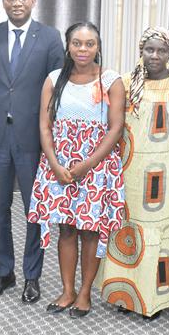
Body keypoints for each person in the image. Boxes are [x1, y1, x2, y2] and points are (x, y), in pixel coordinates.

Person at [0, 0, 64, 304]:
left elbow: (57, 91)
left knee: (34, 212)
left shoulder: (50, 37)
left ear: (33, 1)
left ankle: (32, 276)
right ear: (4, 1)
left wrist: (50, 140)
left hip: (33, 140)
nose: (17, 2)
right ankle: (4, 272)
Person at [97, 27, 169, 319]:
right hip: (131, 170)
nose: (155, 55)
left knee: (160, 234)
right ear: (140, 51)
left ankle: (154, 298)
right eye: (149, 49)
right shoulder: (126, 83)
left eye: (161, 50)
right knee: (130, 229)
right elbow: (112, 125)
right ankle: (125, 293)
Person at [28, 22, 125, 317]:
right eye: (77, 43)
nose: (83, 49)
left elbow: (116, 128)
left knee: (89, 231)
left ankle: (85, 294)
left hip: (95, 166)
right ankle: (67, 290)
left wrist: (87, 164)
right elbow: (45, 126)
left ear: (98, 46)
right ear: (68, 46)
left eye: (90, 43)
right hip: (59, 164)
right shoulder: (54, 79)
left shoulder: (111, 80)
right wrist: (55, 164)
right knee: (66, 229)